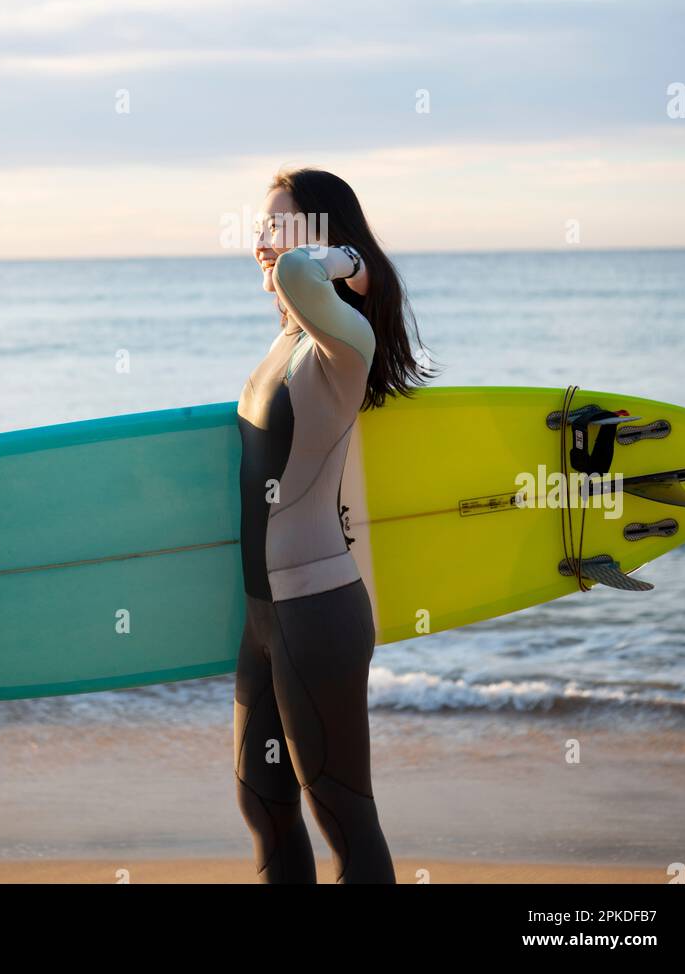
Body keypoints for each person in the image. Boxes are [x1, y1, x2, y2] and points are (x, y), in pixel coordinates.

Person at [233, 166, 438, 883]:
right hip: (264, 615)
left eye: (274, 224)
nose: (259, 241)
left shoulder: (341, 345)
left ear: (321, 238)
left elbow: (295, 270)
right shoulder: (287, 344)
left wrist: (348, 261)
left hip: (316, 610)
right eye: (257, 226)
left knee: (344, 815)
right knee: (262, 802)